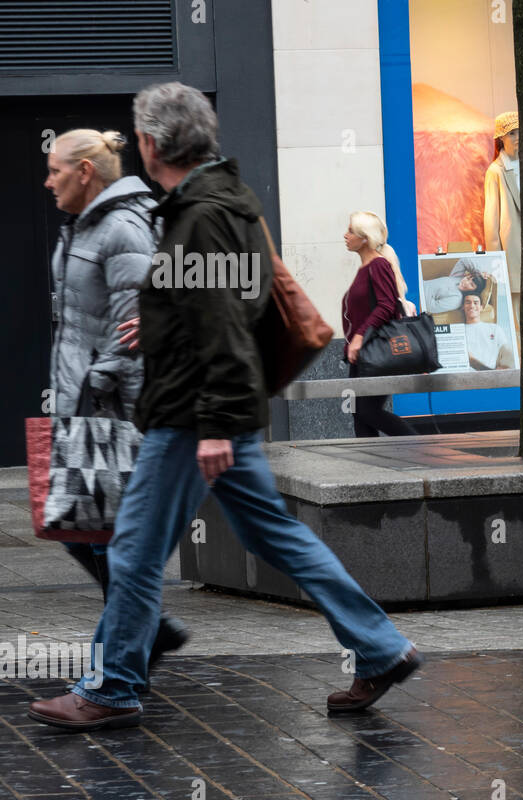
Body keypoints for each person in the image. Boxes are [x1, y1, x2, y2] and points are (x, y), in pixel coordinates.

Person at [28, 82, 421, 732]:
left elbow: (224, 329)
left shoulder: (200, 215)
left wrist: (212, 426)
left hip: (192, 414)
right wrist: (156, 321)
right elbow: (223, 300)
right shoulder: (224, 201)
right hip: (219, 412)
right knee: (276, 533)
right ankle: (380, 647)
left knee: (131, 549)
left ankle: (114, 684)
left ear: (152, 145)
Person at [43, 127, 190, 669]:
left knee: (101, 532)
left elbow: (136, 327)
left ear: (85, 172)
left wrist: (93, 386)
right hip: (82, 397)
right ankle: (147, 630)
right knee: (78, 528)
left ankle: (122, 666)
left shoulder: (123, 226)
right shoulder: (85, 225)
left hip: (110, 406)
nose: (47, 180)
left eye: (56, 170)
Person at [342, 210, 419, 437]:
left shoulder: (378, 265)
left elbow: (386, 306)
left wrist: (358, 337)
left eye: (350, 231)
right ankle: (370, 469)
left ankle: (418, 446)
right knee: (359, 413)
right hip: (363, 352)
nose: (345, 236)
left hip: (376, 351)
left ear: (365, 238)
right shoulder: (365, 268)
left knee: (367, 411)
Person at [483, 111, 521, 334]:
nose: (517, 137)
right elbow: (491, 218)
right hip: (510, 252)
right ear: (501, 138)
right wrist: (494, 259)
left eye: (519, 132)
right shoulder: (495, 171)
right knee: (515, 313)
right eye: (511, 133)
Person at [462, 293, 514, 370]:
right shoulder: (458, 330)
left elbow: (506, 350)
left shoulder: (494, 328)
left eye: (476, 303)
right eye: (468, 302)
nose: (472, 306)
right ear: (463, 307)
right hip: (468, 372)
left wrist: (503, 369)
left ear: (481, 307)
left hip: (494, 372)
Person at [423, 262, 489, 315]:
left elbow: (431, 307)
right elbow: (464, 260)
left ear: (472, 291)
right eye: (468, 279)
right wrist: (479, 272)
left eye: (471, 285)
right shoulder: (457, 277)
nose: (466, 283)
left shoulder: (456, 299)